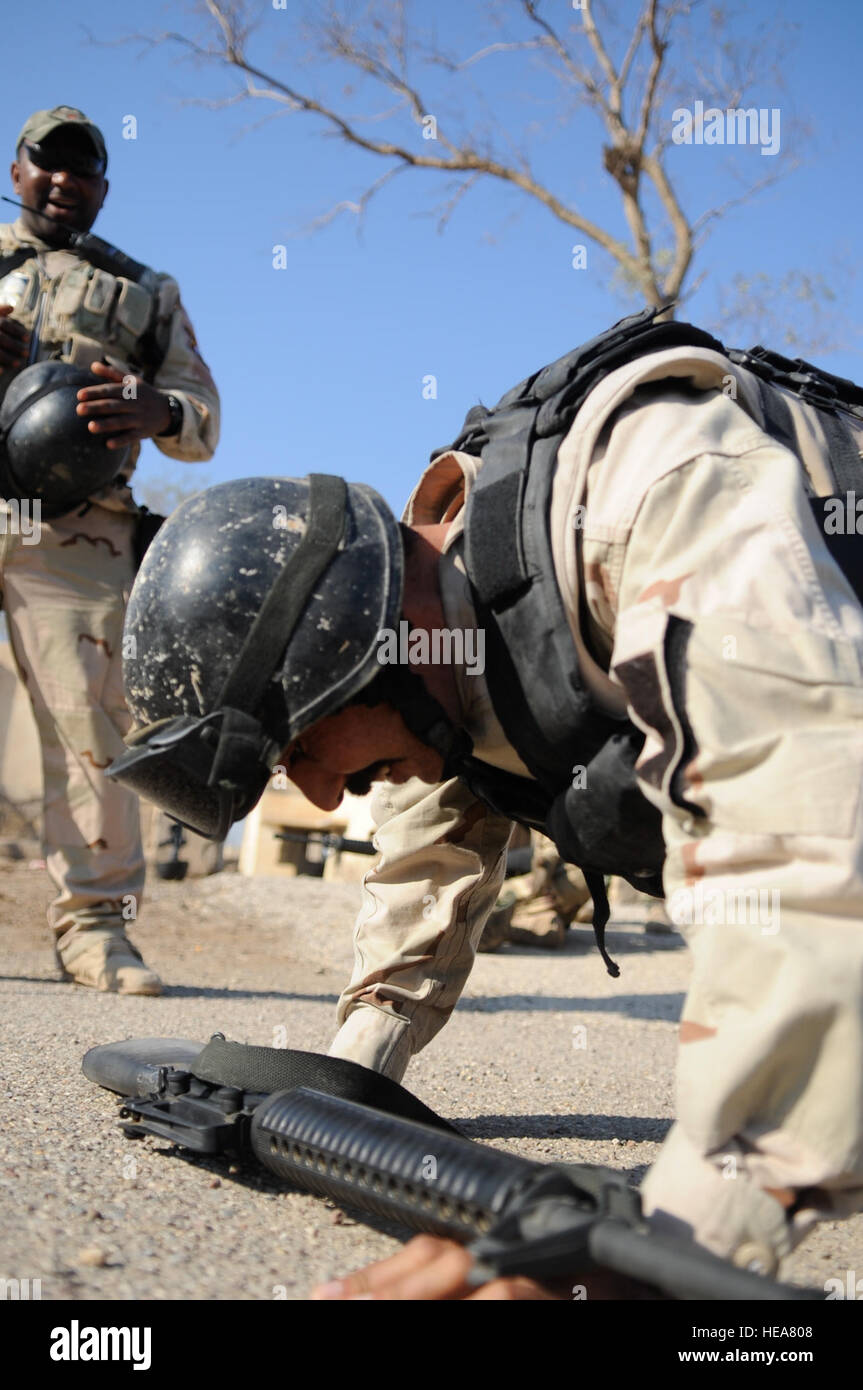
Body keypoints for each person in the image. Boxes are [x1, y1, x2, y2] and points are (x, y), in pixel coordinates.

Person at [107, 308, 863, 1295]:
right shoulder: (439, 649)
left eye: (296, 750)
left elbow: (811, 865)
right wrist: (348, 1090)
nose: (324, 792)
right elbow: (423, 866)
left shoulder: (656, 490)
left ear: (354, 649)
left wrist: (657, 1251)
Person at [0, 106, 219, 995]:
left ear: (103, 188)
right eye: (44, 164)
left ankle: (96, 927)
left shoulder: (146, 290)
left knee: (93, 725)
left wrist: (156, 409)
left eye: (81, 169)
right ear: (16, 171)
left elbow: (202, 420)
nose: (61, 181)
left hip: (75, 527)